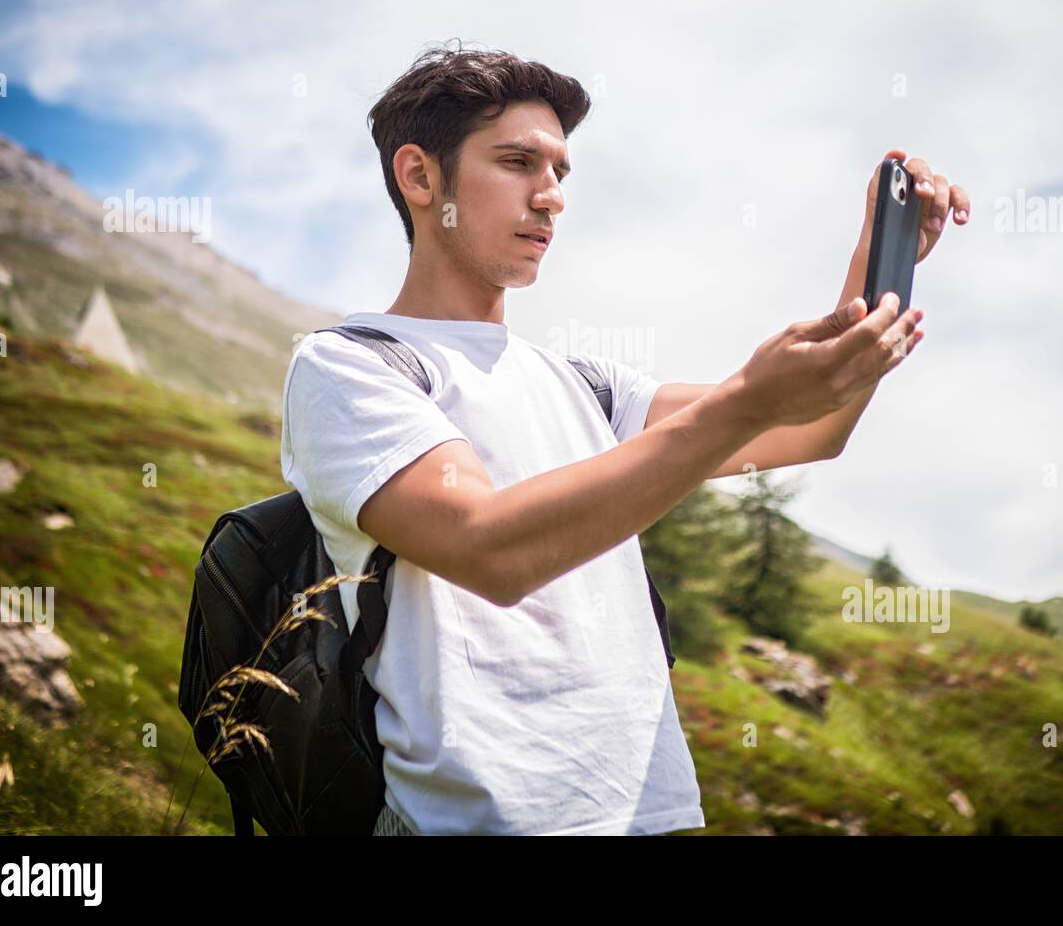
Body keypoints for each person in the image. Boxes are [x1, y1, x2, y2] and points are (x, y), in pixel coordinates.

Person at [281, 41, 967, 836]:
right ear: (420, 176)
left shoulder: (587, 386)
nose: (550, 197)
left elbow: (808, 427)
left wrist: (880, 275)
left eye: (560, 172)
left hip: (648, 817)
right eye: (517, 163)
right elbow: (489, 549)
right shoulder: (349, 365)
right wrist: (746, 399)